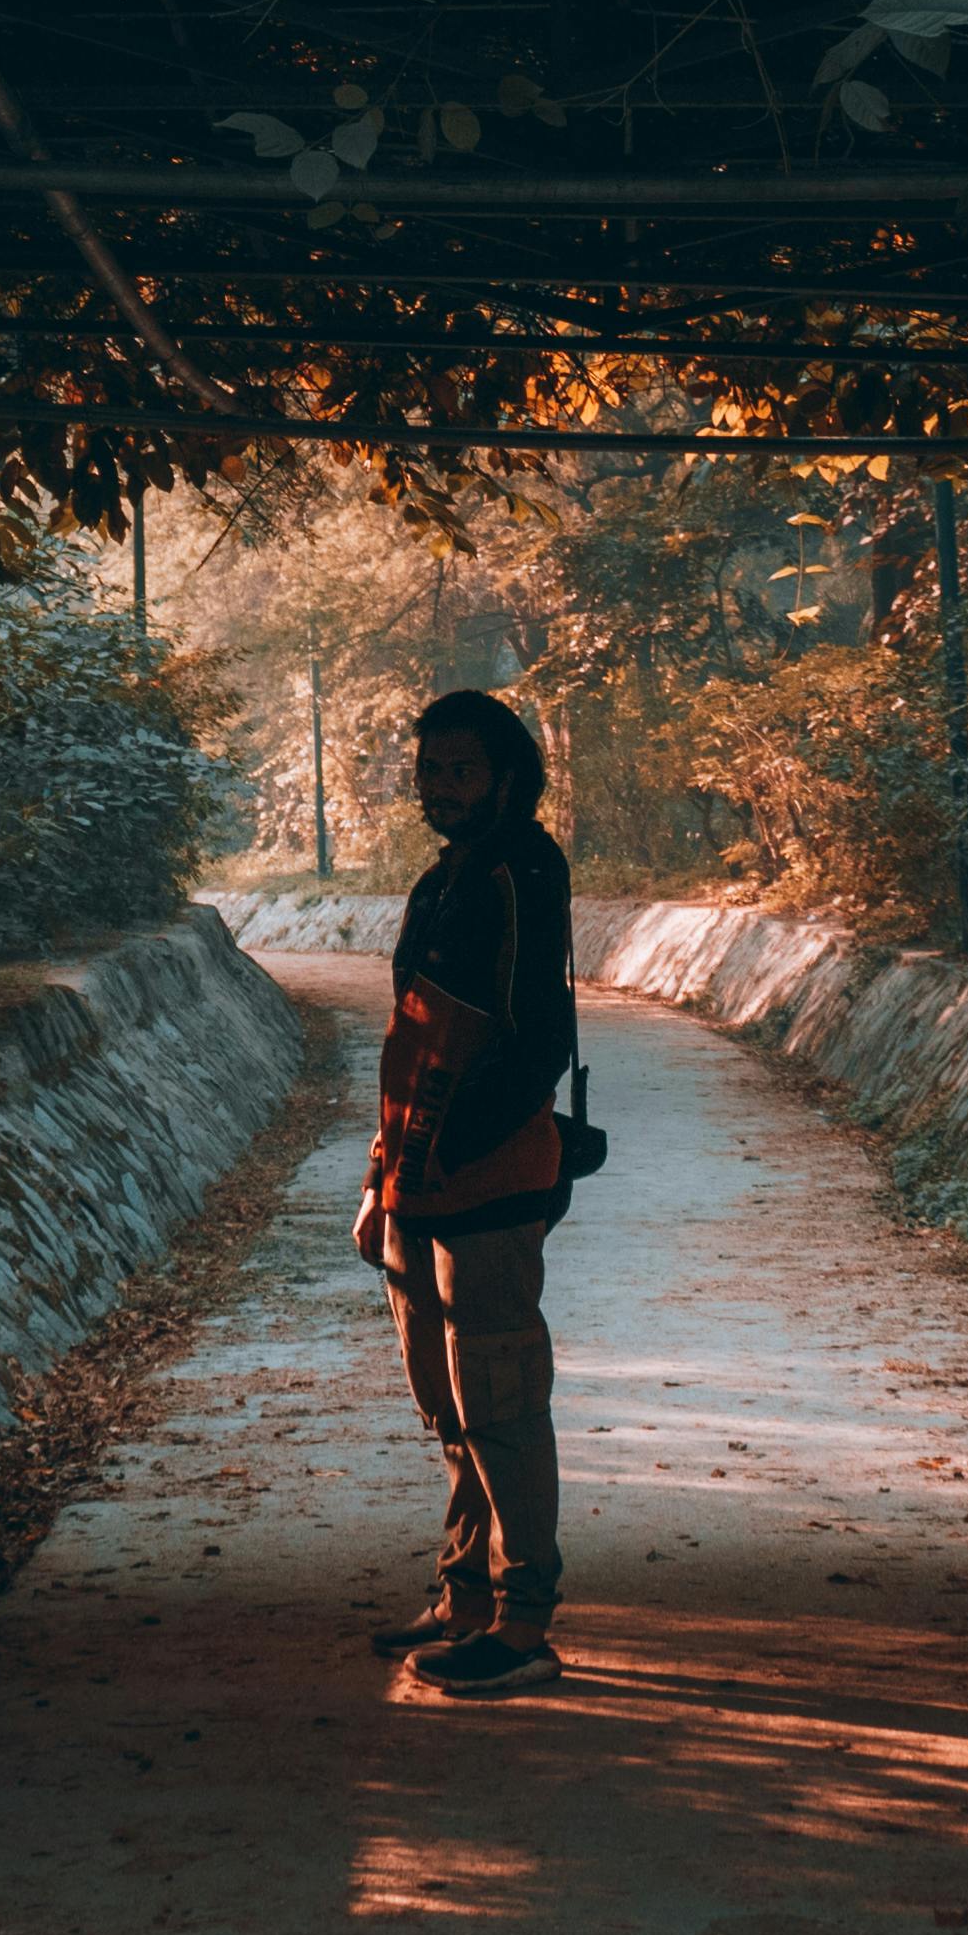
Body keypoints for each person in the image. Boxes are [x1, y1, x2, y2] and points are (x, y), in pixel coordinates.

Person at [353, 689, 576, 1695]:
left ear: (504, 774)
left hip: (489, 1184)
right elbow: (408, 1046)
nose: (440, 786)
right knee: (445, 1405)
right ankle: (463, 1598)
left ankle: (523, 1623)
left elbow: (539, 1040)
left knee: (499, 1400)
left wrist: (454, 1151)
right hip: (413, 1183)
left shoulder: (524, 868)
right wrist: (380, 1177)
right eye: (429, 769)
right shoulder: (435, 882)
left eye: (459, 769)